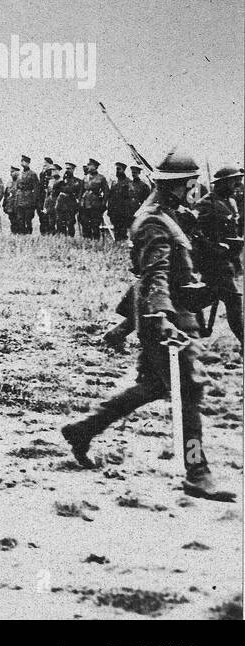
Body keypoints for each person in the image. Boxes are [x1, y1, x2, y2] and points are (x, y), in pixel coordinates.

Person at [62, 150, 235, 503]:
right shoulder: (154, 222)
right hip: (166, 316)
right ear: (183, 186)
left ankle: (83, 430)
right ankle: (197, 471)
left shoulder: (168, 216)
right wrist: (162, 318)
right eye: (193, 185)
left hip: (168, 311)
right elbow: (154, 275)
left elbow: (175, 263)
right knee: (189, 390)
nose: (196, 191)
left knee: (153, 385)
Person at [192, 165, 243, 343]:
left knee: (203, 297)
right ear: (221, 183)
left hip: (227, 261)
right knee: (234, 300)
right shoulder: (204, 204)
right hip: (212, 261)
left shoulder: (230, 202)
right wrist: (214, 247)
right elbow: (194, 234)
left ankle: (194, 323)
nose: (237, 184)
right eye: (232, 181)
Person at [78, 158, 109, 239]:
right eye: (87, 165)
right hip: (85, 204)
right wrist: (79, 202)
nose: (87, 166)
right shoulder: (85, 178)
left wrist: (103, 203)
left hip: (95, 204)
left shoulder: (101, 178)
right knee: (85, 223)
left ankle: (96, 242)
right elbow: (81, 191)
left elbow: (106, 192)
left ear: (95, 166)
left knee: (95, 224)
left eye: (89, 165)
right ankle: (87, 241)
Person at [108, 162, 137, 240]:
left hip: (124, 211)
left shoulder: (129, 182)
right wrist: (109, 210)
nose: (117, 171)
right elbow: (110, 197)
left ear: (123, 170)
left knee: (122, 230)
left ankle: (123, 245)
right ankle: (118, 244)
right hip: (115, 211)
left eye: (119, 169)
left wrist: (129, 211)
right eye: (116, 169)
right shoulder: (114, 183)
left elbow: (132, 197)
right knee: (116, 229)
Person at [11, 156, 39, 234]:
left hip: (28, 200)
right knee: (20, 219)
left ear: (28, 163)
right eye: (21, 161)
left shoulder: (33, 174)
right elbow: (17, 187)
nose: (22, 163)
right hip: (20, 200)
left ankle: (28, 234)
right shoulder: (19, 174)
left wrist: (34, 201)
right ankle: (22, 234)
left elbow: (36, 189)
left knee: (28, 219)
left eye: (24, 161)